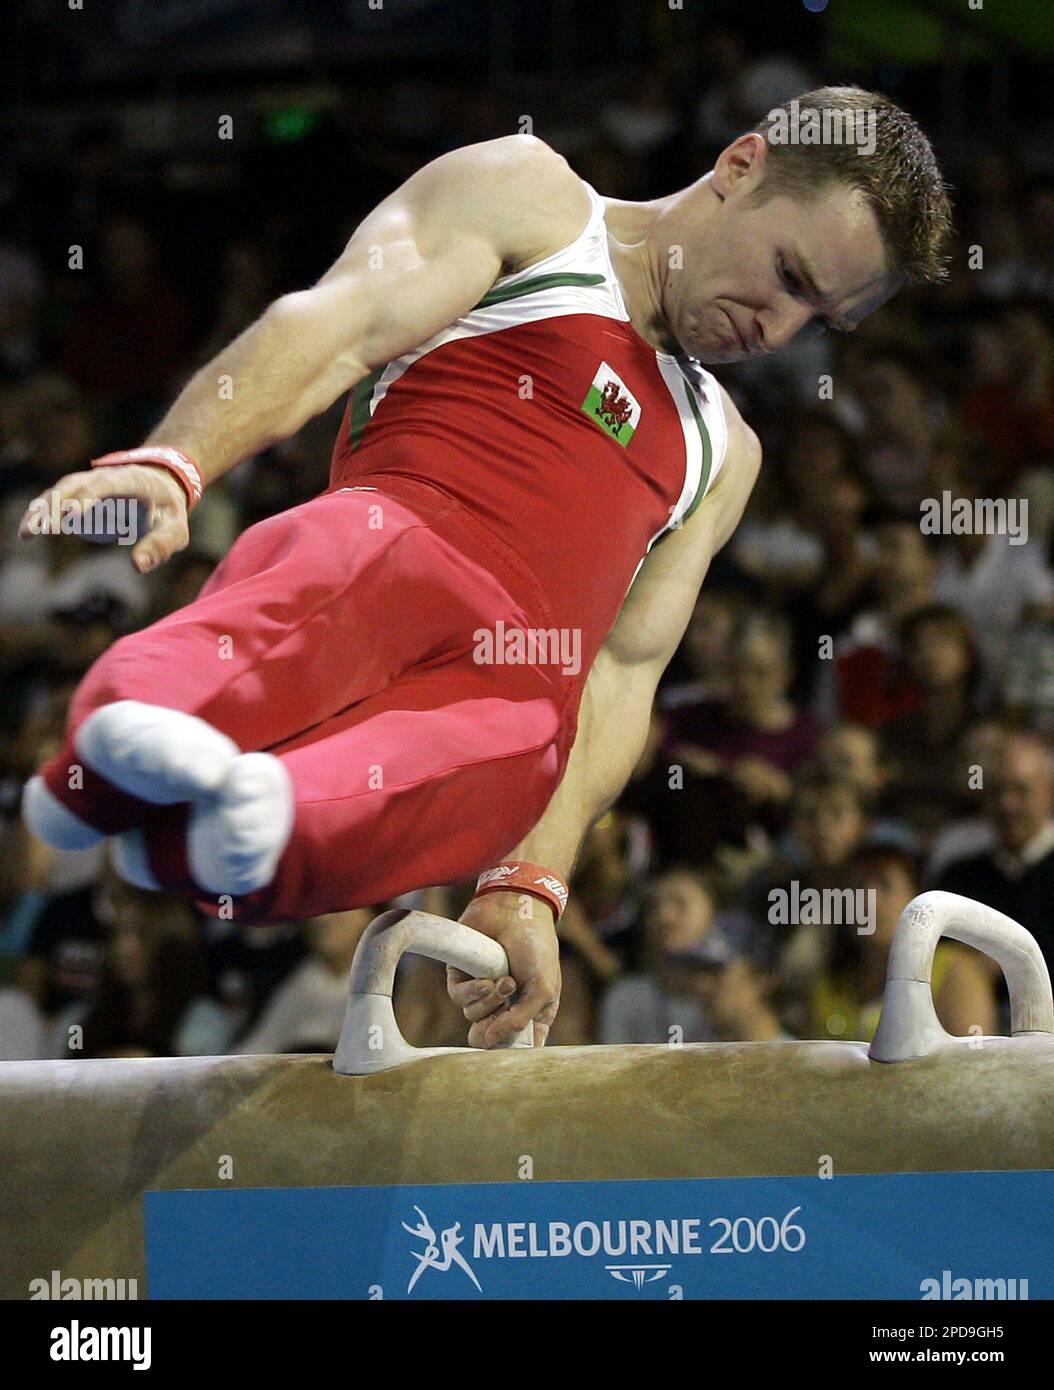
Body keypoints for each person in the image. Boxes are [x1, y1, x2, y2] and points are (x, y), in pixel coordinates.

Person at [20, 88, 951, 1047]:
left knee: (516, 742)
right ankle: (122, 743)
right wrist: (183, 457)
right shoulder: (536, 205)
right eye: (788, 274)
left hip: (505, 689)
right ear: (740, 165)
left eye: (819, 318)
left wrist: (531, 885)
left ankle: (243, 830)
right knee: (340, 569)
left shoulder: (723, 452)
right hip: (392, 550)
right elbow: (337, 323)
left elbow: (618, 680)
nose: (780, 329)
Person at [812, 845, 995, 1042]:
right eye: (857, 888)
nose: (869, 900)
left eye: (885, 886)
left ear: (917, 898)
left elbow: (972, 1062)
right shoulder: (831, 982)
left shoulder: (955, 971)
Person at [937, 732, 1054, 966]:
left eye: (1021, 790)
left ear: (1049, 792)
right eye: (996, 791)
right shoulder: (959, 881)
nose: (1007, 804)